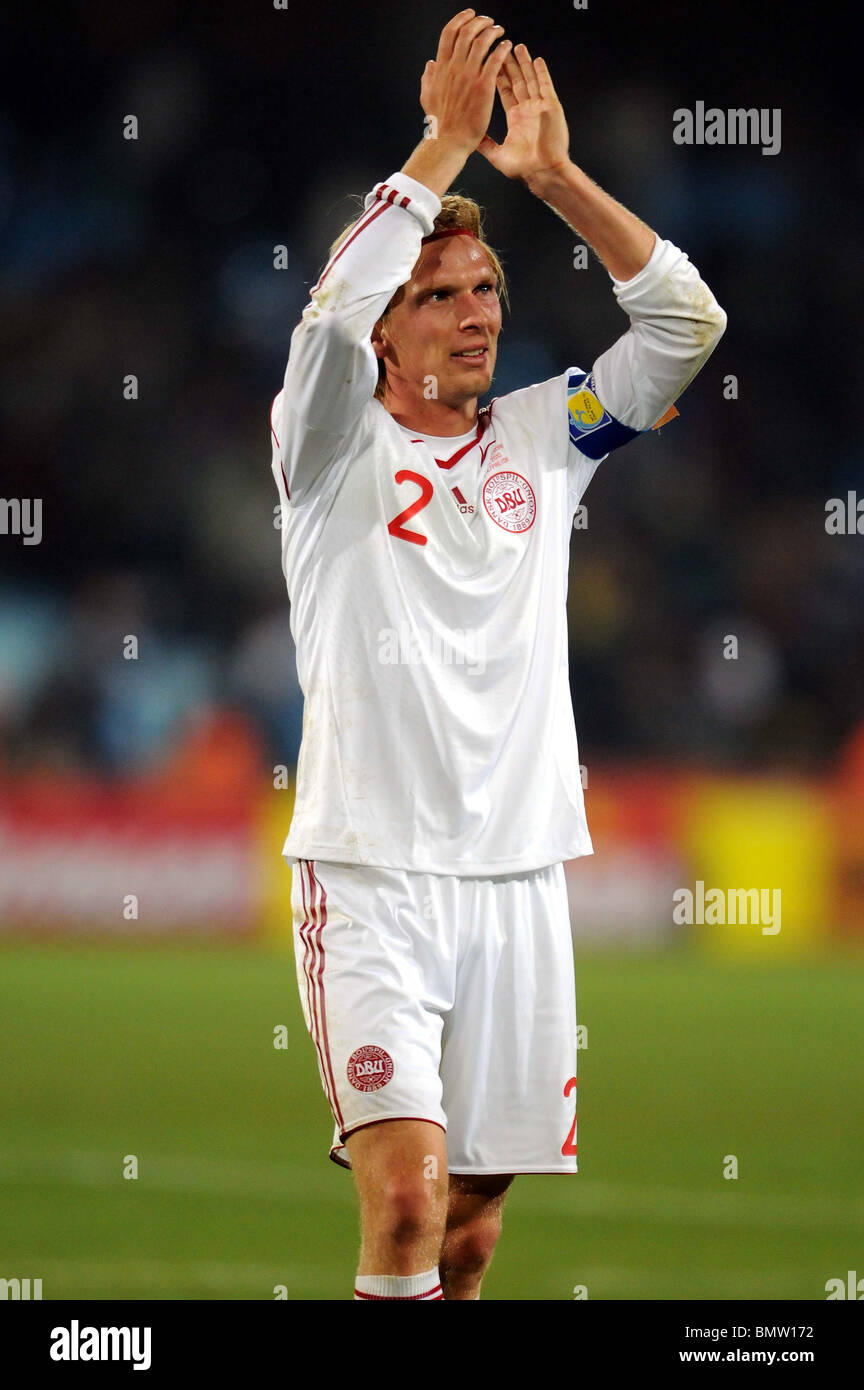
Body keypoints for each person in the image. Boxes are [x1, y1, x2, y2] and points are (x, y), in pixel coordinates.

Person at [270, 9, 726, 1301]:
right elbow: (322, 321)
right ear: (387, 328)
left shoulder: (548, 435)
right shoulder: (325, 451)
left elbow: (687, 327)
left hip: (520, 871)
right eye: (438, 297)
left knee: (468, 1232)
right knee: (406, 1204)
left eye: (484, 294)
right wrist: (441, 148)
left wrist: (552, 177)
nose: (472, 317)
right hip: (372, 871)